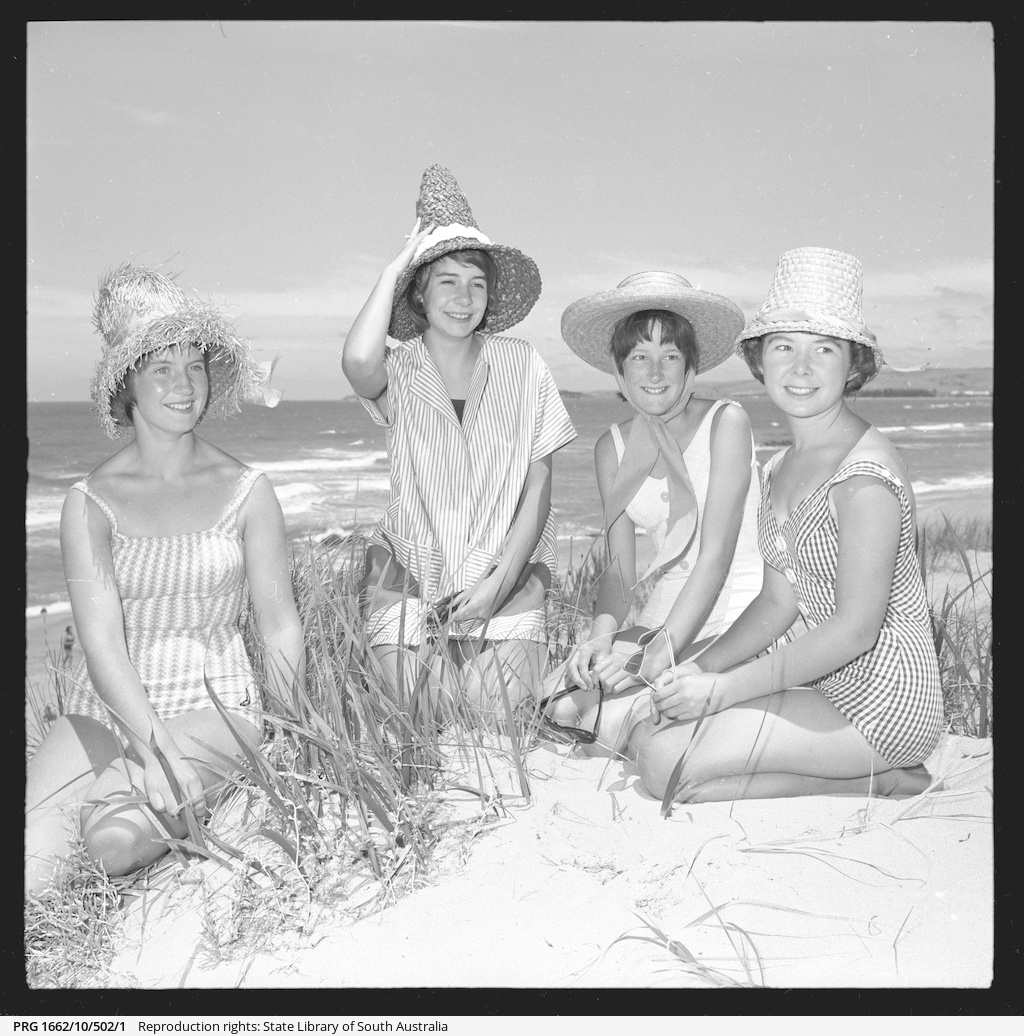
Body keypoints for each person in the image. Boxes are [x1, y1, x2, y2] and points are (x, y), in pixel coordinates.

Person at [25, 263, 304, 895]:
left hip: (216, 703)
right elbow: (101, 646)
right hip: (109, 710)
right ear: (127, 384)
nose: (184, 384)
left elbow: (279, 621)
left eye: (195, 365)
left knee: (111, 837)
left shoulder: (247, 491)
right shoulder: (89, 501)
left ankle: (173, 810)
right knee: (33, 870)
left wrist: (288, 729)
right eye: (161, 367)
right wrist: (152, 745)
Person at [633, 247, 943, 802]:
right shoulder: (779, 468)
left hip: (887, 702)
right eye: (784, 347)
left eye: (824, 349)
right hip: (830, 683)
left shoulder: (864, 476)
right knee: (650, 734)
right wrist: (697, 670)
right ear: (760, 360)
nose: (801, 369)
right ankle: (858, 774)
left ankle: (885, 778)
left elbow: (855, 630)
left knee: (662, 764)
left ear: (854, 365)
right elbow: (779, 604)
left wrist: (724, 690)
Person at [342, 165, 577, 715]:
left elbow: (539, 483)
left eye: (476, 283)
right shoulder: (398, 371)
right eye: (445, 281)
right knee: (423, 712)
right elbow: (357, 360)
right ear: (419, 295)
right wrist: (397, 265)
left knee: (495, 715)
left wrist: (502, 582)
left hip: (507, 572)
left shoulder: (522, 363)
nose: (463, 297)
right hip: (408, 574)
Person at [545, 272, 763, 754]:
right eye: (640, 357)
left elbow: (717, 558)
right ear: (620, 373)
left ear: (691, 367)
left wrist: (656, 654)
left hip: (735, 607)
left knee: (607, 726)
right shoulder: (612, 447)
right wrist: (601, 638)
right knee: (557, 704)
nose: (656, 372)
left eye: (670, 356)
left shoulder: (726, 421)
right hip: (667, 609)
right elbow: (620, 570)